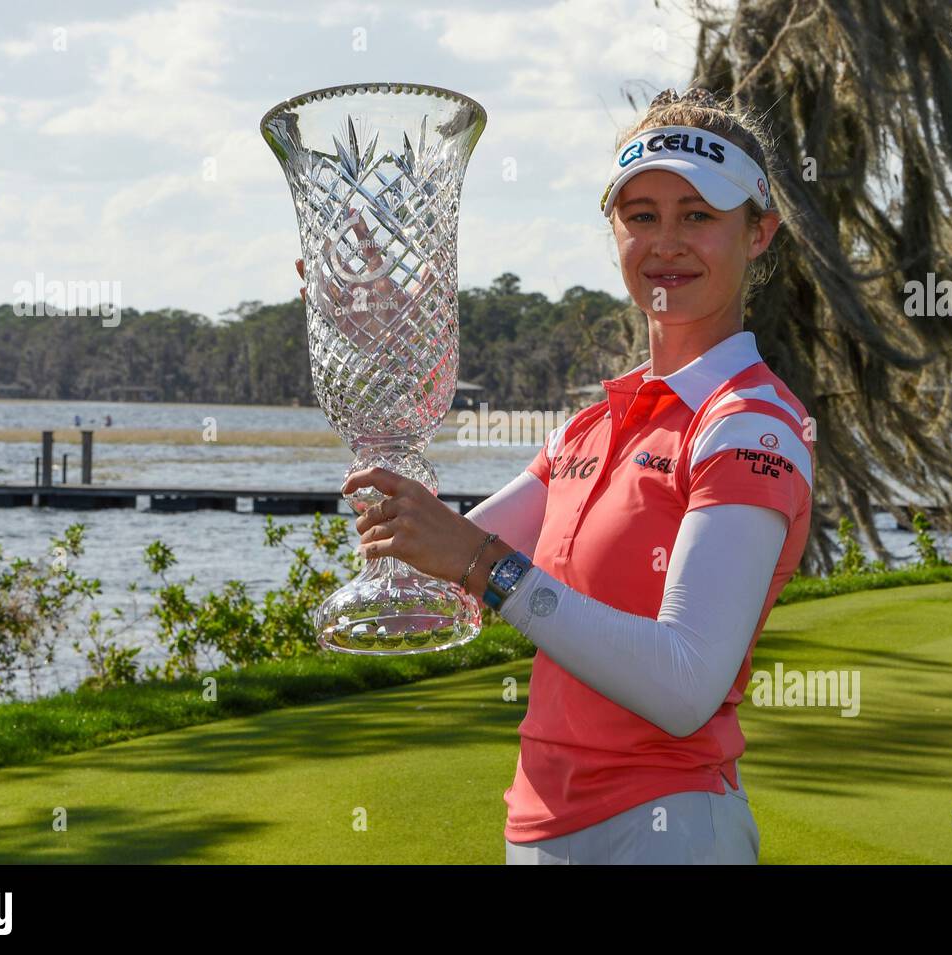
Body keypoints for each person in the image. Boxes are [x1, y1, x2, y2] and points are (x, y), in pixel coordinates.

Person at [330, 86, 814, 864]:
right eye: (642, 214)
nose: (666, 242)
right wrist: (383, 370)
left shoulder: (749, 424)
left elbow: (686, 685)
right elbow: (422, 595)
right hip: (539, 827)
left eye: (698, 215)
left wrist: (482, 563)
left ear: (759, 233)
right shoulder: (590, 426)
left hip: (667, 827)